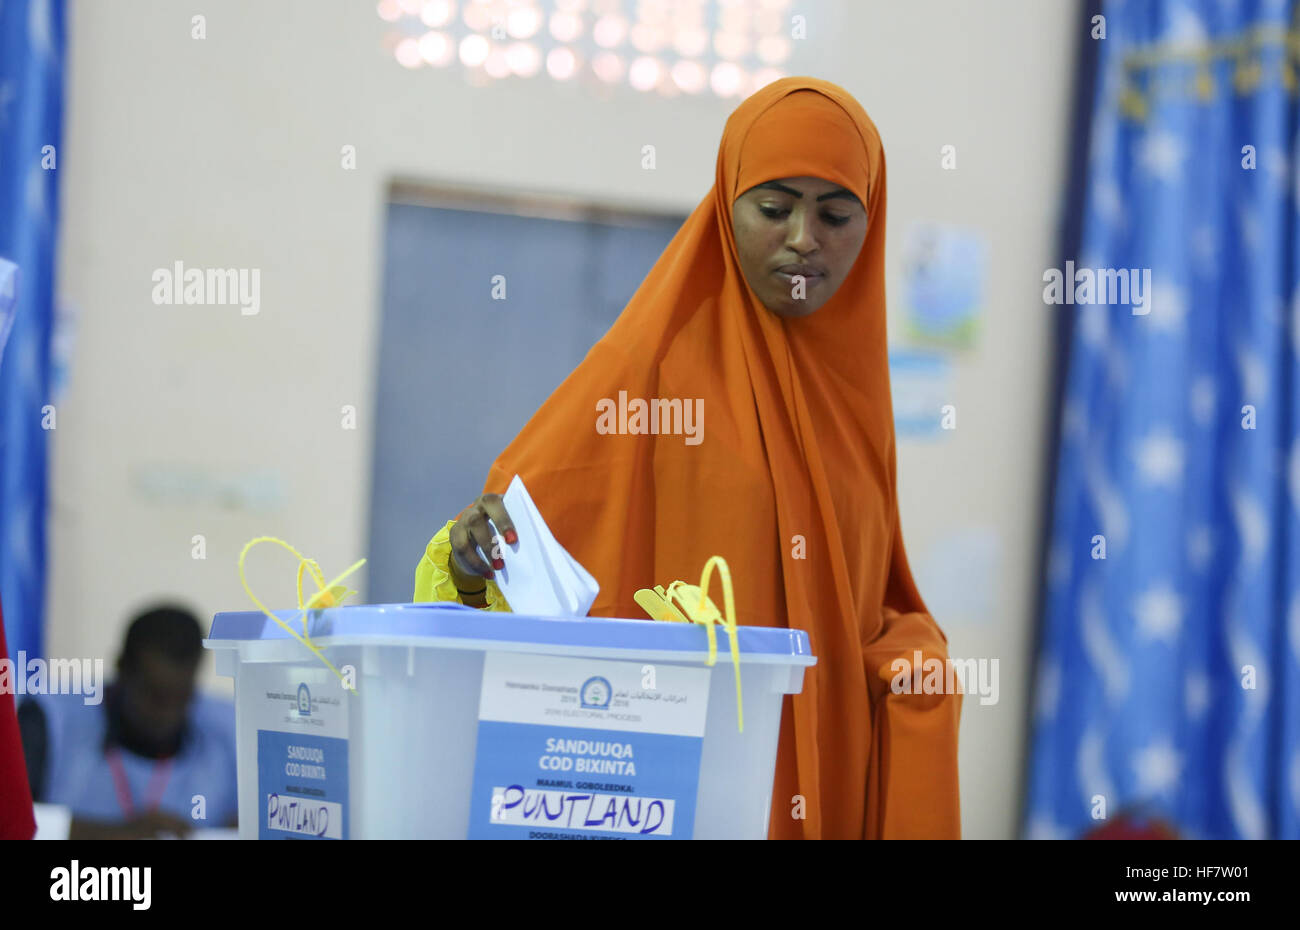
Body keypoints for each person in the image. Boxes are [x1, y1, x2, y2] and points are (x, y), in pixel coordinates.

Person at [413, 76, 962, 839]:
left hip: (822, 782)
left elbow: (867, 595)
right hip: (665, 789)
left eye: (836, 214)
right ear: (725, 202)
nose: (805, 236)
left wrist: (910, 649)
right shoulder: (649, 371)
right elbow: (515, 558)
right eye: (774, 208)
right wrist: (473, 560)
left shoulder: (856, 399)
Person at [17, 604, 238, 839]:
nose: (167, 714)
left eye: (182, 697)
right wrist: (115, 834)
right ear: (122, 669)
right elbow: (11, 822)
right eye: (154, 696)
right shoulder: (46, 719)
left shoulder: (229, 728)